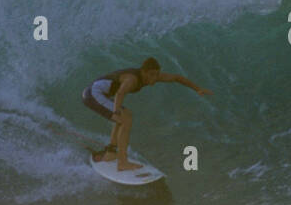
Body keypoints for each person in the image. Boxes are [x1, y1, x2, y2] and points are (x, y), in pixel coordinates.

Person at [81, 57, 212, 171]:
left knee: (125, 116)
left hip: (101, 93)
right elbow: (120, 93)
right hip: (93, 94)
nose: (155, 78)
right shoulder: (132, 79)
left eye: (157, 74)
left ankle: (111, 153)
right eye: (152, 74)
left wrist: (197, 89)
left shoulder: (150, 77)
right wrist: (116, 112)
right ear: (144, 72)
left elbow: (176, 78)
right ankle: (122, 163)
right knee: (125, 118)